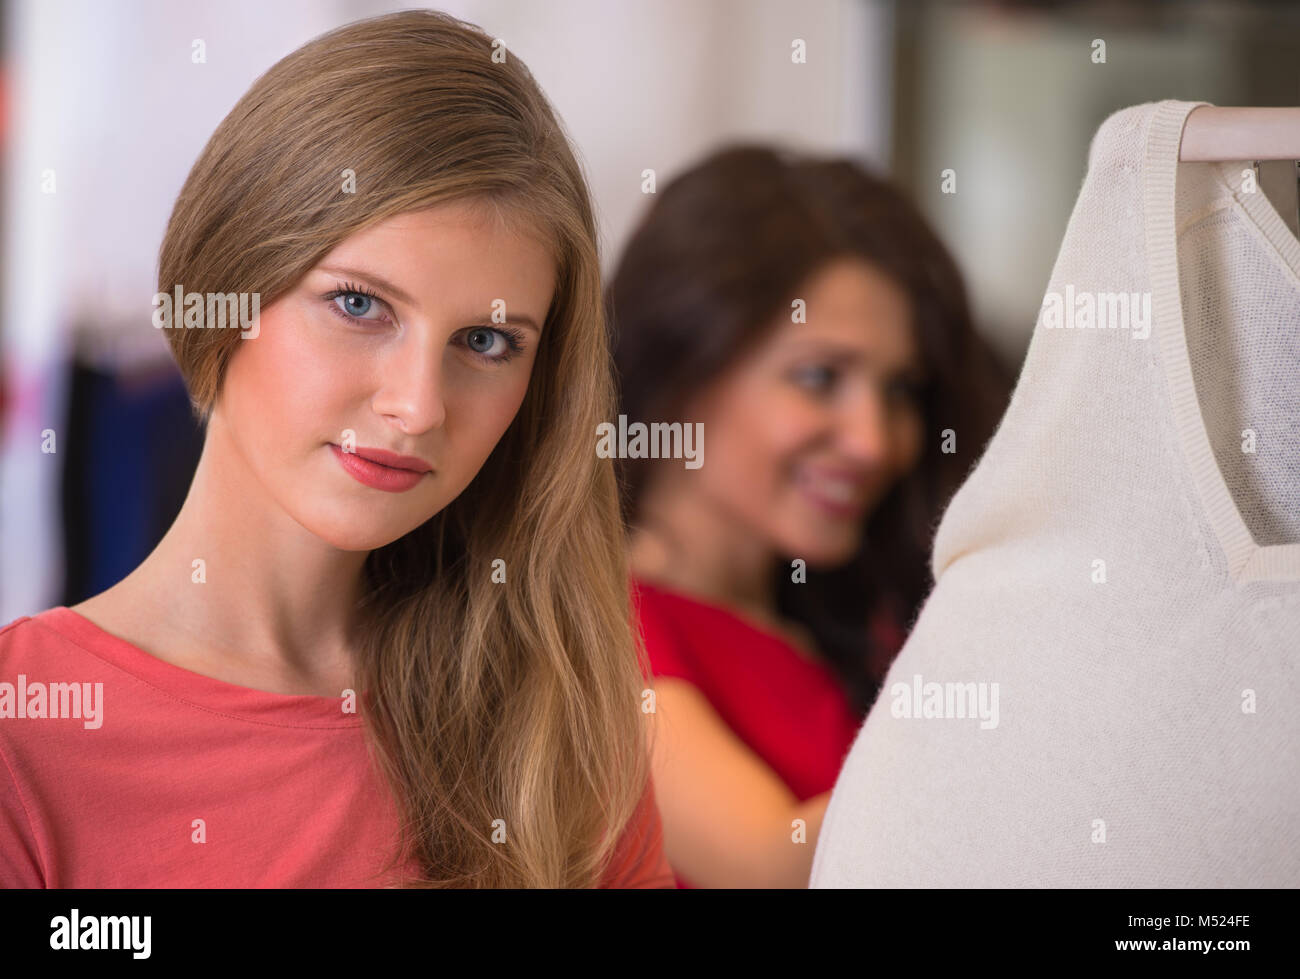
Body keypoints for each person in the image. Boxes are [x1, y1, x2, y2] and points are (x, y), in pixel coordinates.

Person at [0, 9, 671, 888]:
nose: (418, 406)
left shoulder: (558, 726)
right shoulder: (27, 733)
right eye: (360, 305)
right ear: (226, 281)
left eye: (486, 342)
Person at [607, 145, 1010, 887]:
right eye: (820, 376)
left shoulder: (851, 617)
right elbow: (771, 862)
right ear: (682, 367)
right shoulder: (603, 627)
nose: (874, 440)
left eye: (900, 390)